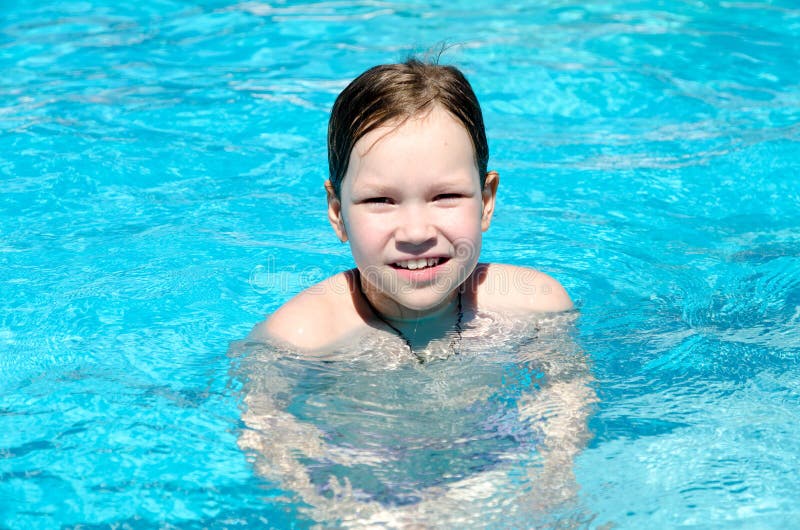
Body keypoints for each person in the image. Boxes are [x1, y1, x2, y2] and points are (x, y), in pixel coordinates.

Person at [249, 58, 573, 356]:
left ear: (486, 202)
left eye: (445, 196)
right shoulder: (298, 342)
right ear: (338, 214)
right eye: (380, 200)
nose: (416, 233)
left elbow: (565, 412)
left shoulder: (538, 310)